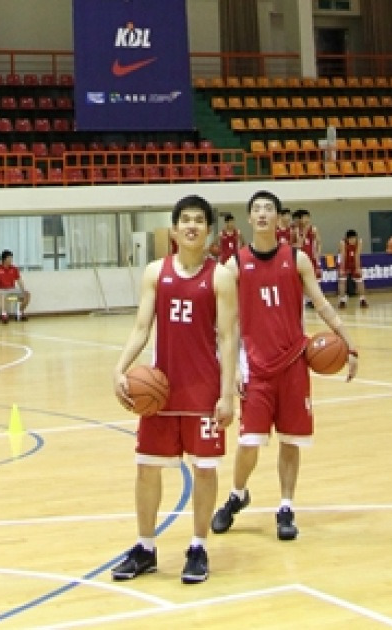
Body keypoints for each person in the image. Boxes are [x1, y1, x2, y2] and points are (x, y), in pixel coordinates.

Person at [212, 190, 359, 542]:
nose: (262, 214)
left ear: (279, 219)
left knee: (291, 441)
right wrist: (231, 371)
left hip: (294, 363)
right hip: (257, 368)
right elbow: (225, 327)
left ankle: (286, 506)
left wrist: (348, 341)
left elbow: (321, 305)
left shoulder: (297, 259)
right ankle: (237, 494)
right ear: (249, 219)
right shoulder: (234, 266)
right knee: (248, 443)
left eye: (269, 209)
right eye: (256, 209)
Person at [110, 195, 238, 585]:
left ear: (209, 230)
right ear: (175, 227)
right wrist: (120, 368)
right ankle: (145, 546)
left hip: (203, 391)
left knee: (205, 470)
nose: (192, 226)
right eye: (185, 220)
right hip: (161, 391)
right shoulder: (154, 272)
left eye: (199, 220)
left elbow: (229, 338)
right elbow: (140, 328)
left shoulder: (221, 276)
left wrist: (228, 393)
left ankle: (198, 547)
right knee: (146, 468)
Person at [0, 250, 31, 323]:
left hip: (12, 289)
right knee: (2, 295)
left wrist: (24, 290)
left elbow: (19, 281)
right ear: (4, 259)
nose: (11, 260)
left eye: (11, 258)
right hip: (1, 289)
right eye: (9, 258)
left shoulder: (14, 268)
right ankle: (4, 315)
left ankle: (20, 313)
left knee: (27, 294)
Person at [336, 229, 368, 309]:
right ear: (347, 239)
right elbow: (343, 256)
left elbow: (357, 255)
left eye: (354, 239)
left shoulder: (359, 242)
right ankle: (342, 300)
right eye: (351, 239)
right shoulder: (342, 243)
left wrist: (358, 268)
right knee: (342, 281)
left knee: (359, 280)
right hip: (344, 262)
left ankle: (362, 299)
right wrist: (342, 269)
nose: (353, 241)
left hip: (354, 261)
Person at [294, 210, 322, 280]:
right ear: (300, 219)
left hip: (312, 257)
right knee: (301, 278)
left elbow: (319, 243)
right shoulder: (296, 230)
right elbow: (299, 244)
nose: (306, 220)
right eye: (304, 218)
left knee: (314, 279)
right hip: (301, 257)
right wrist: (305, 231)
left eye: (307, 218)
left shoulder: (313, 229)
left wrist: (318, 255)